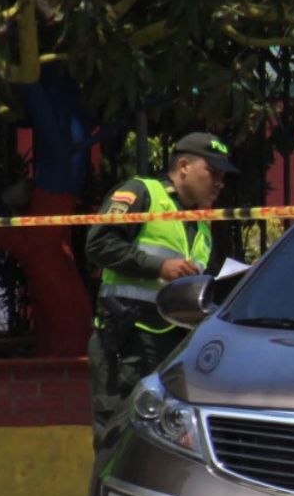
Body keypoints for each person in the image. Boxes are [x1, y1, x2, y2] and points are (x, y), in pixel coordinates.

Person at [85, 133, 235, 447]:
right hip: (128, 340)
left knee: (163, 441)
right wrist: (159, 267)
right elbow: (99, 243)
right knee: (118, 437)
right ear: (183, 165)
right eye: (213, 173)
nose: (220, 182)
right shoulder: (142, 193)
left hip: (175, 347)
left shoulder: (202, 222)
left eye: (223, 176)